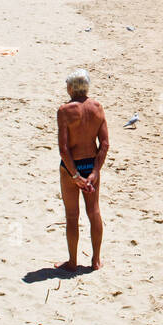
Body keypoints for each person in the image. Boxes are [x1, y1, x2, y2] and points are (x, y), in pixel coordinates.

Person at [56, 69, 110, 271]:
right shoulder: (97, 107)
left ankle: (72, 262)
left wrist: (75, 175)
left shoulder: (64, 110)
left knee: (72, 215)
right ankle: (96, 260)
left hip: (72, 168)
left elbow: (64, 149)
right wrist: (94, 172)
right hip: (91, 165)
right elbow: (104, 144)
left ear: (71, 88)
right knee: (94, 212)